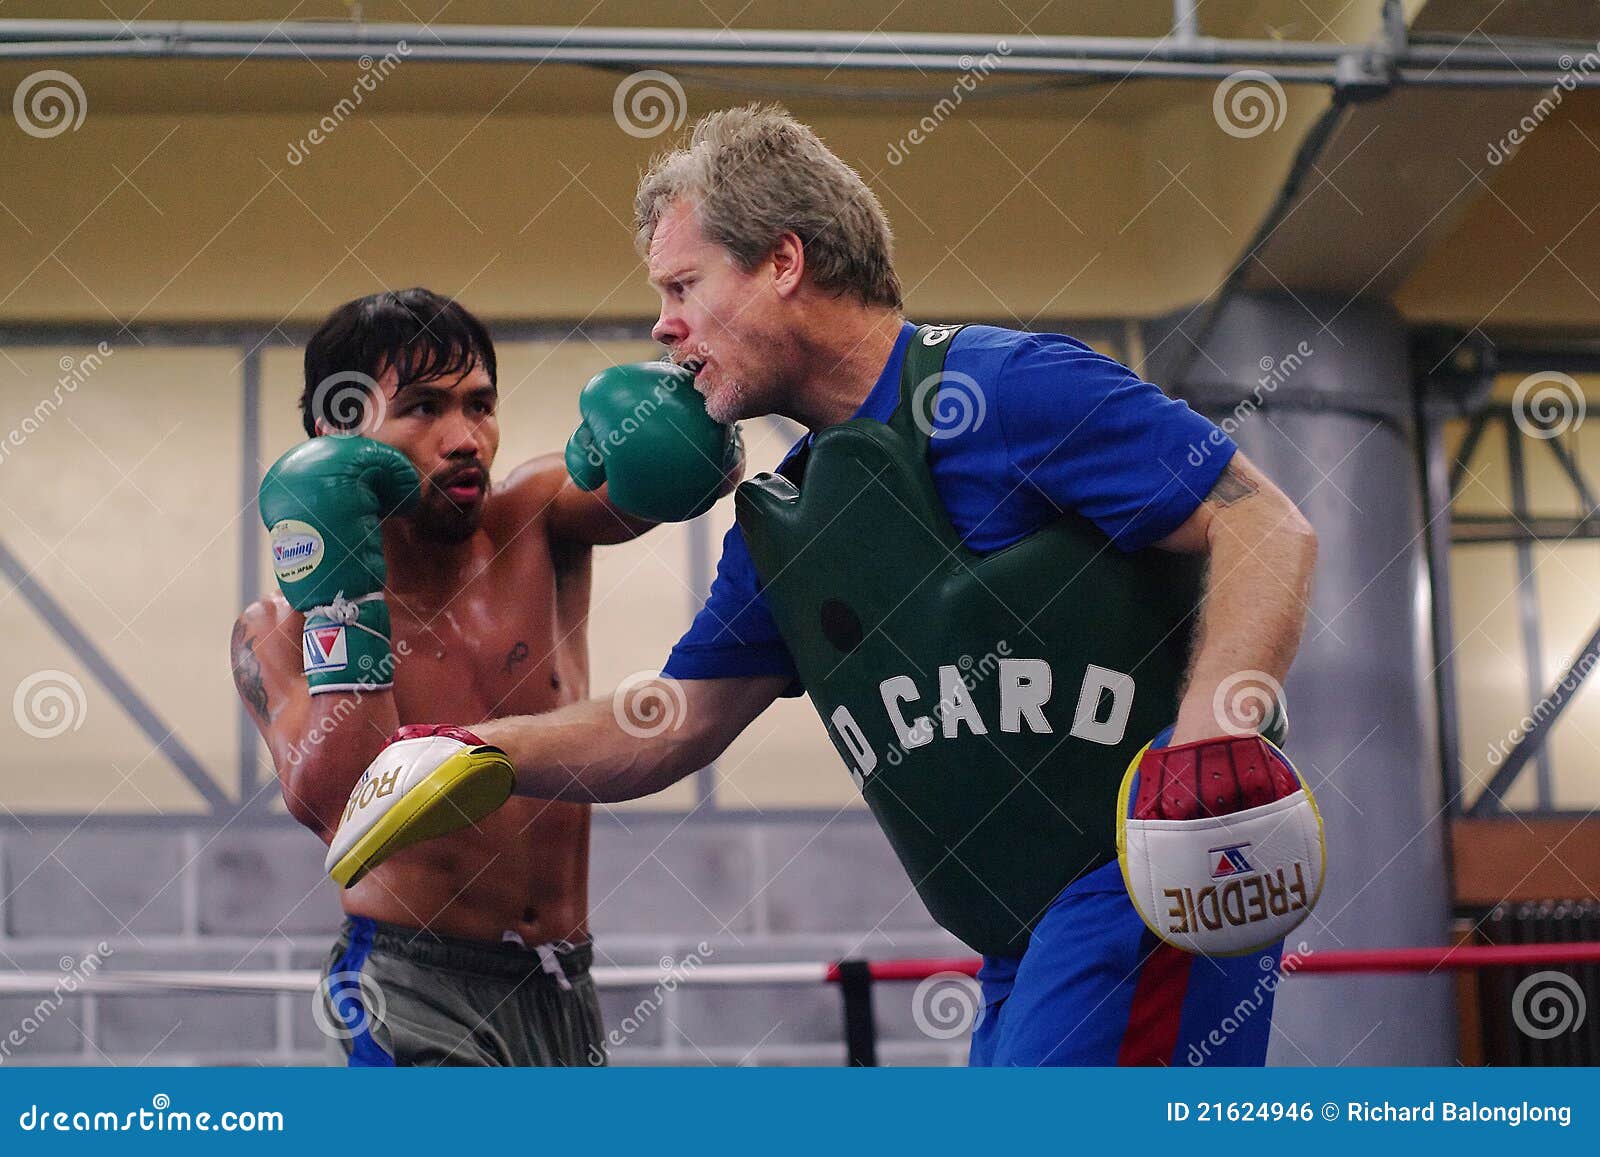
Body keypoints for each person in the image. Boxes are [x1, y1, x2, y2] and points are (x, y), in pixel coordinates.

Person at [325, 107, 1321, 1066]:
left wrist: (1212, 732)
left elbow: (1263, 519)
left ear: (782, 262)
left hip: (1144, 877)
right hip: (1018, 936)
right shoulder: (789, 522)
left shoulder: (1010, 387)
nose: (663, 328)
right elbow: (671, 723)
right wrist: (465, 750)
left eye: (681, 286)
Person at [230, 287, 738, 1066]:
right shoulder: (275, 632)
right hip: (412, 991)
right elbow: (335, 803)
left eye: (479, 404)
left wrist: (702, 421)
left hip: (564, 983)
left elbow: (681, 476)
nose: (465, 438)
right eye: (424, 409)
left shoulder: (536, 517)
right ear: (340, 434)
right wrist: (342, 597)